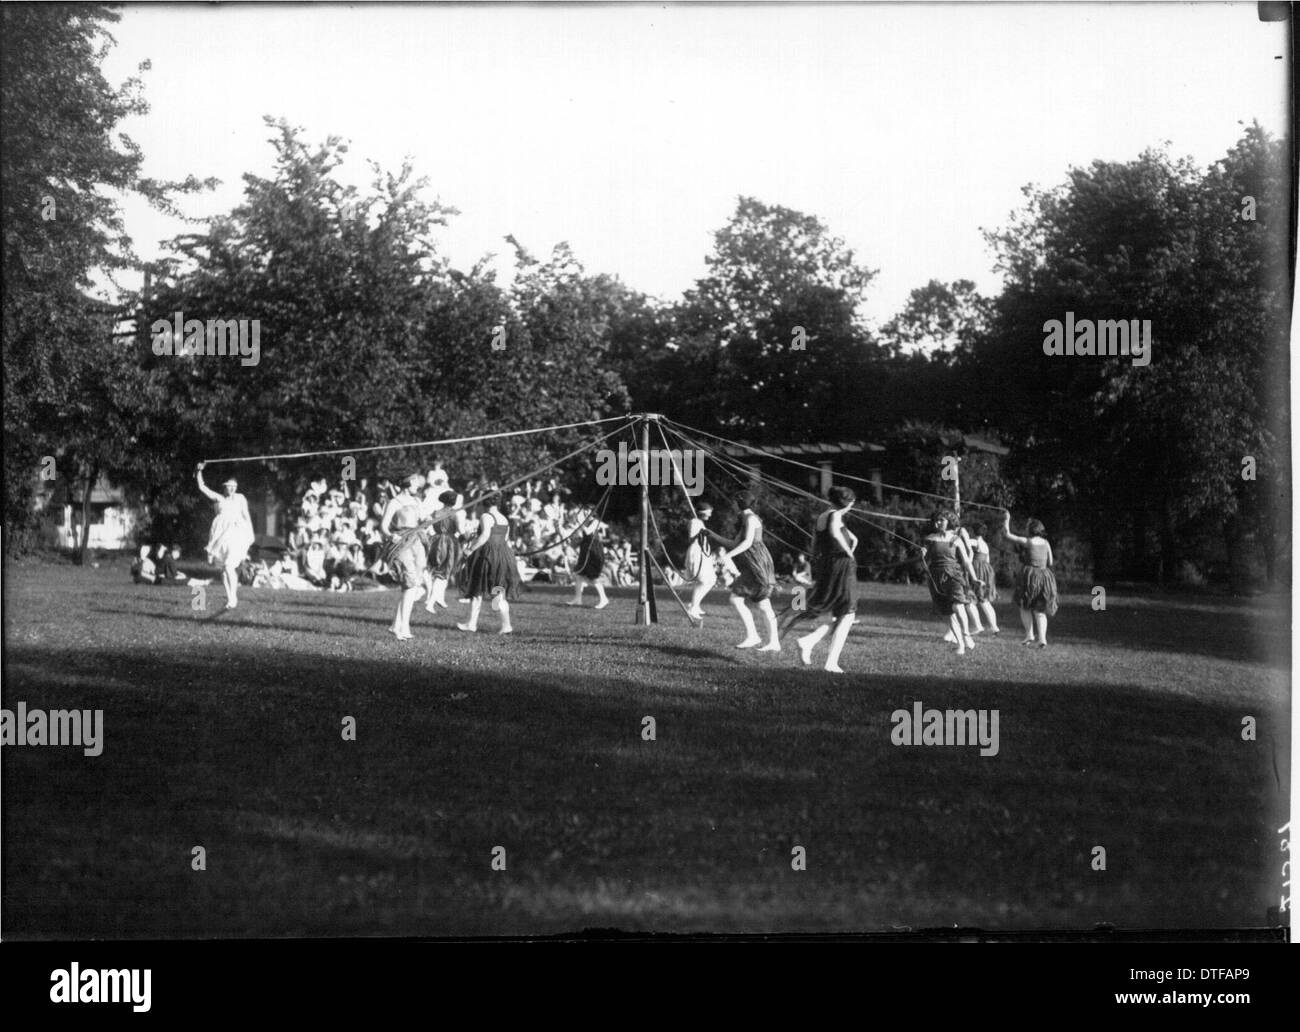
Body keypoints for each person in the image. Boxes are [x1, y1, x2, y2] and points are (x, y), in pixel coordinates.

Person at [781, 486, 859, 673]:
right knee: (848, 613)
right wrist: (849, 552)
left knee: (843, 614)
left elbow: (821, 542)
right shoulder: (835, 516)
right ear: (847, 503)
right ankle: (829, 661)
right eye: (851, 504)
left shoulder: (823, 516)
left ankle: (809, 642)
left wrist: (850, 545)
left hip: (828, 566)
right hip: (841, 567)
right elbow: (835, 532)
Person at [721, 491, 780, 651]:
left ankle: (754, 636)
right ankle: (773, 642)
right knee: (763, 605)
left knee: (737, 599)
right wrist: (711, 535)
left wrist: (728, 556)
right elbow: (734, 543)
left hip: (757, 564)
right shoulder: (746, 518)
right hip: (754, 564)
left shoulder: (751, 519)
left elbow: (747, 543)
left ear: (738, 503)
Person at [196, 464, 255, 610]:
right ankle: (230, 598)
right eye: (229, 486)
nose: (232, 488)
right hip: (220, 537)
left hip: (236, 535)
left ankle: (233, 598)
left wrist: (251, 532)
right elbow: (202, 487)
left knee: (229, 566)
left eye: (234, 486)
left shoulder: (241, 498)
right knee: (223, 569)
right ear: (224, 486)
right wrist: (198, 471)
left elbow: (246, 515)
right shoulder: (219, 499)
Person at [458, 499, 521, 634]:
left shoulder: (486, 516)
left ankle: (474, 624)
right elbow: (505, 538)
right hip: (503, 557)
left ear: (483, 503)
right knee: (497, 591)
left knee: (477, 589)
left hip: (487, 557)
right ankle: (505, 624)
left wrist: (470, 549)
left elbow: (485, 535)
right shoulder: (504, 518)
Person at [923, 508, 980, 655]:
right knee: (947, 612)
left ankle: (966, 634)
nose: (938, 522)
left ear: (949, 522)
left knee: (958, 605)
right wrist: (922, 554)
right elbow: (926, 561)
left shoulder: (956, 539)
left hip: (953, 575)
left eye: (941, 520)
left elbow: (967, 561)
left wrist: (974, 578)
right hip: (935, 578)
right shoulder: (930, 539)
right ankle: (960, 644)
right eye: (936, 520)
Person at [380, 472, 428, 640]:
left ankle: (395, 625)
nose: (418, 486)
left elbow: (422, 520)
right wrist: (390, 535)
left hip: (416, 543)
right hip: (400, 544)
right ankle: (404, 628)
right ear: (407, 484)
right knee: (410, 584)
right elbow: (384, 526)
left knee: (412, 586)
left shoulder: (417, 501)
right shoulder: (395, 502)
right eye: (415, 483)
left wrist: (429, 519)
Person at [1000, 511, 1058, 647]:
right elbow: (1050, 561)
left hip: (1030, 576)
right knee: (1040, 609)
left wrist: (1007, 519)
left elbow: (1007, 534)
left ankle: (1029, 634)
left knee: (1024, 606)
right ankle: (1042, 639)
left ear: (1031, 529)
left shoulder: (1028, 541)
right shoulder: (1046, 542)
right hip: (1045, 576)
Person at [424, 489, 469, 613]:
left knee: (441, 571)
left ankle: (439, 598)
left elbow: (426, 525)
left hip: (435, 541)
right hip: (449, 543)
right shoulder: (455, 514)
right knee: (443, 573)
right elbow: (460, 530)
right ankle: (431, 602)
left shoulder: (435, 513)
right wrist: (468, 536)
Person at [682, 502, 721, 621]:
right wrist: (700, 533)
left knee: (711, 579)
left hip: (703, 553)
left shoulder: (700, 522)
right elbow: (691, 539)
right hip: (696, 553)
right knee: (704, 580)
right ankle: (692, 608)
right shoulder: (694, 522)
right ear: (702, 513)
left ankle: (695, 604)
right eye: (708, 514)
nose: (709, 516)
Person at [964, 520, 1001, 635]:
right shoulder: (985, 545)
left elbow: (963, 542)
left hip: (976, 570)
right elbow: (988, 560)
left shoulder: (975, 542)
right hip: (986, 571)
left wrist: (961, 533)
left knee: (969, 599)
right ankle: (994, 626)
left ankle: (977, 626)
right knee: (984, 600)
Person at [567, 516, 609, 609]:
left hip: (593, 550)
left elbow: (588, 531)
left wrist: (579, 524)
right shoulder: (585, 522)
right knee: (579, 575)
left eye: (587, 511)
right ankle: (578, 599)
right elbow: (582, 535)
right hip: (585, 550)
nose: (585, 513)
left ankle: (604, 598)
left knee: (593, 576)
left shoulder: (595, 521)